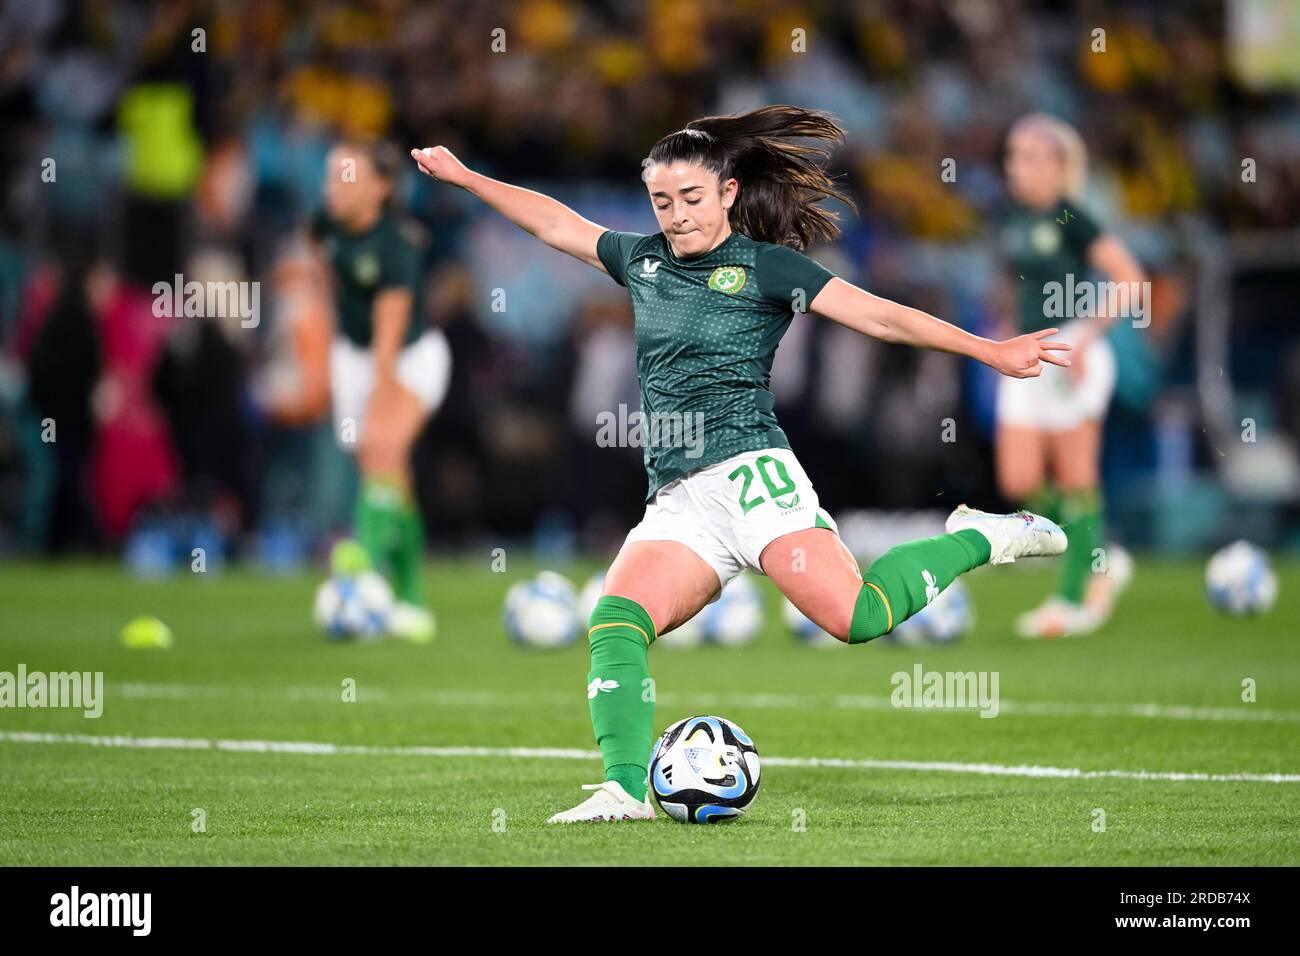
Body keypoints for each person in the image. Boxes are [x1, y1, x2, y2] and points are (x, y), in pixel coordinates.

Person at [412, 106, 1071, 822]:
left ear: (727, 193)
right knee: (616, 622)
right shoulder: (643, 261)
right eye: (662, 202)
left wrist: (990, 350)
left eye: (691, 199)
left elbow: (880, 316)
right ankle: (625, 791)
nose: (676, 216)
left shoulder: (767, 268)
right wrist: (467, 176)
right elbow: (554, 222)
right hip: (678, 499)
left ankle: (983, 536)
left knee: (859, 618)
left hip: (752, 475)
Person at [994, 114, 1147, 638]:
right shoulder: (1012, 217)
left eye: (1033, 158)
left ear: (1061, 167)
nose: (1020, 168)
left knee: (1076, 480)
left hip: (1068, 354)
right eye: (1014, 157)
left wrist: (1084, 338)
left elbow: (1130, 278)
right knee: (1019, 481)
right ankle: (1101, 553)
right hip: (1025, 356)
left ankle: (1072, 596)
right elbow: (1019, 286)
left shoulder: (1069, 217)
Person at [313, 140, 451, 642]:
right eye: (330, 176)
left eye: (345, 177)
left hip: (409, 357)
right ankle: (401, 592)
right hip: (352, 354)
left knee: (383, 446)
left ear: (381, 188)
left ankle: (372, 574)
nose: (332, 187)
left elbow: (389, 336)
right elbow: (328, 277)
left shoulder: (397, 249)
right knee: (383, 468)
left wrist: (380, 393)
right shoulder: (323, 227)